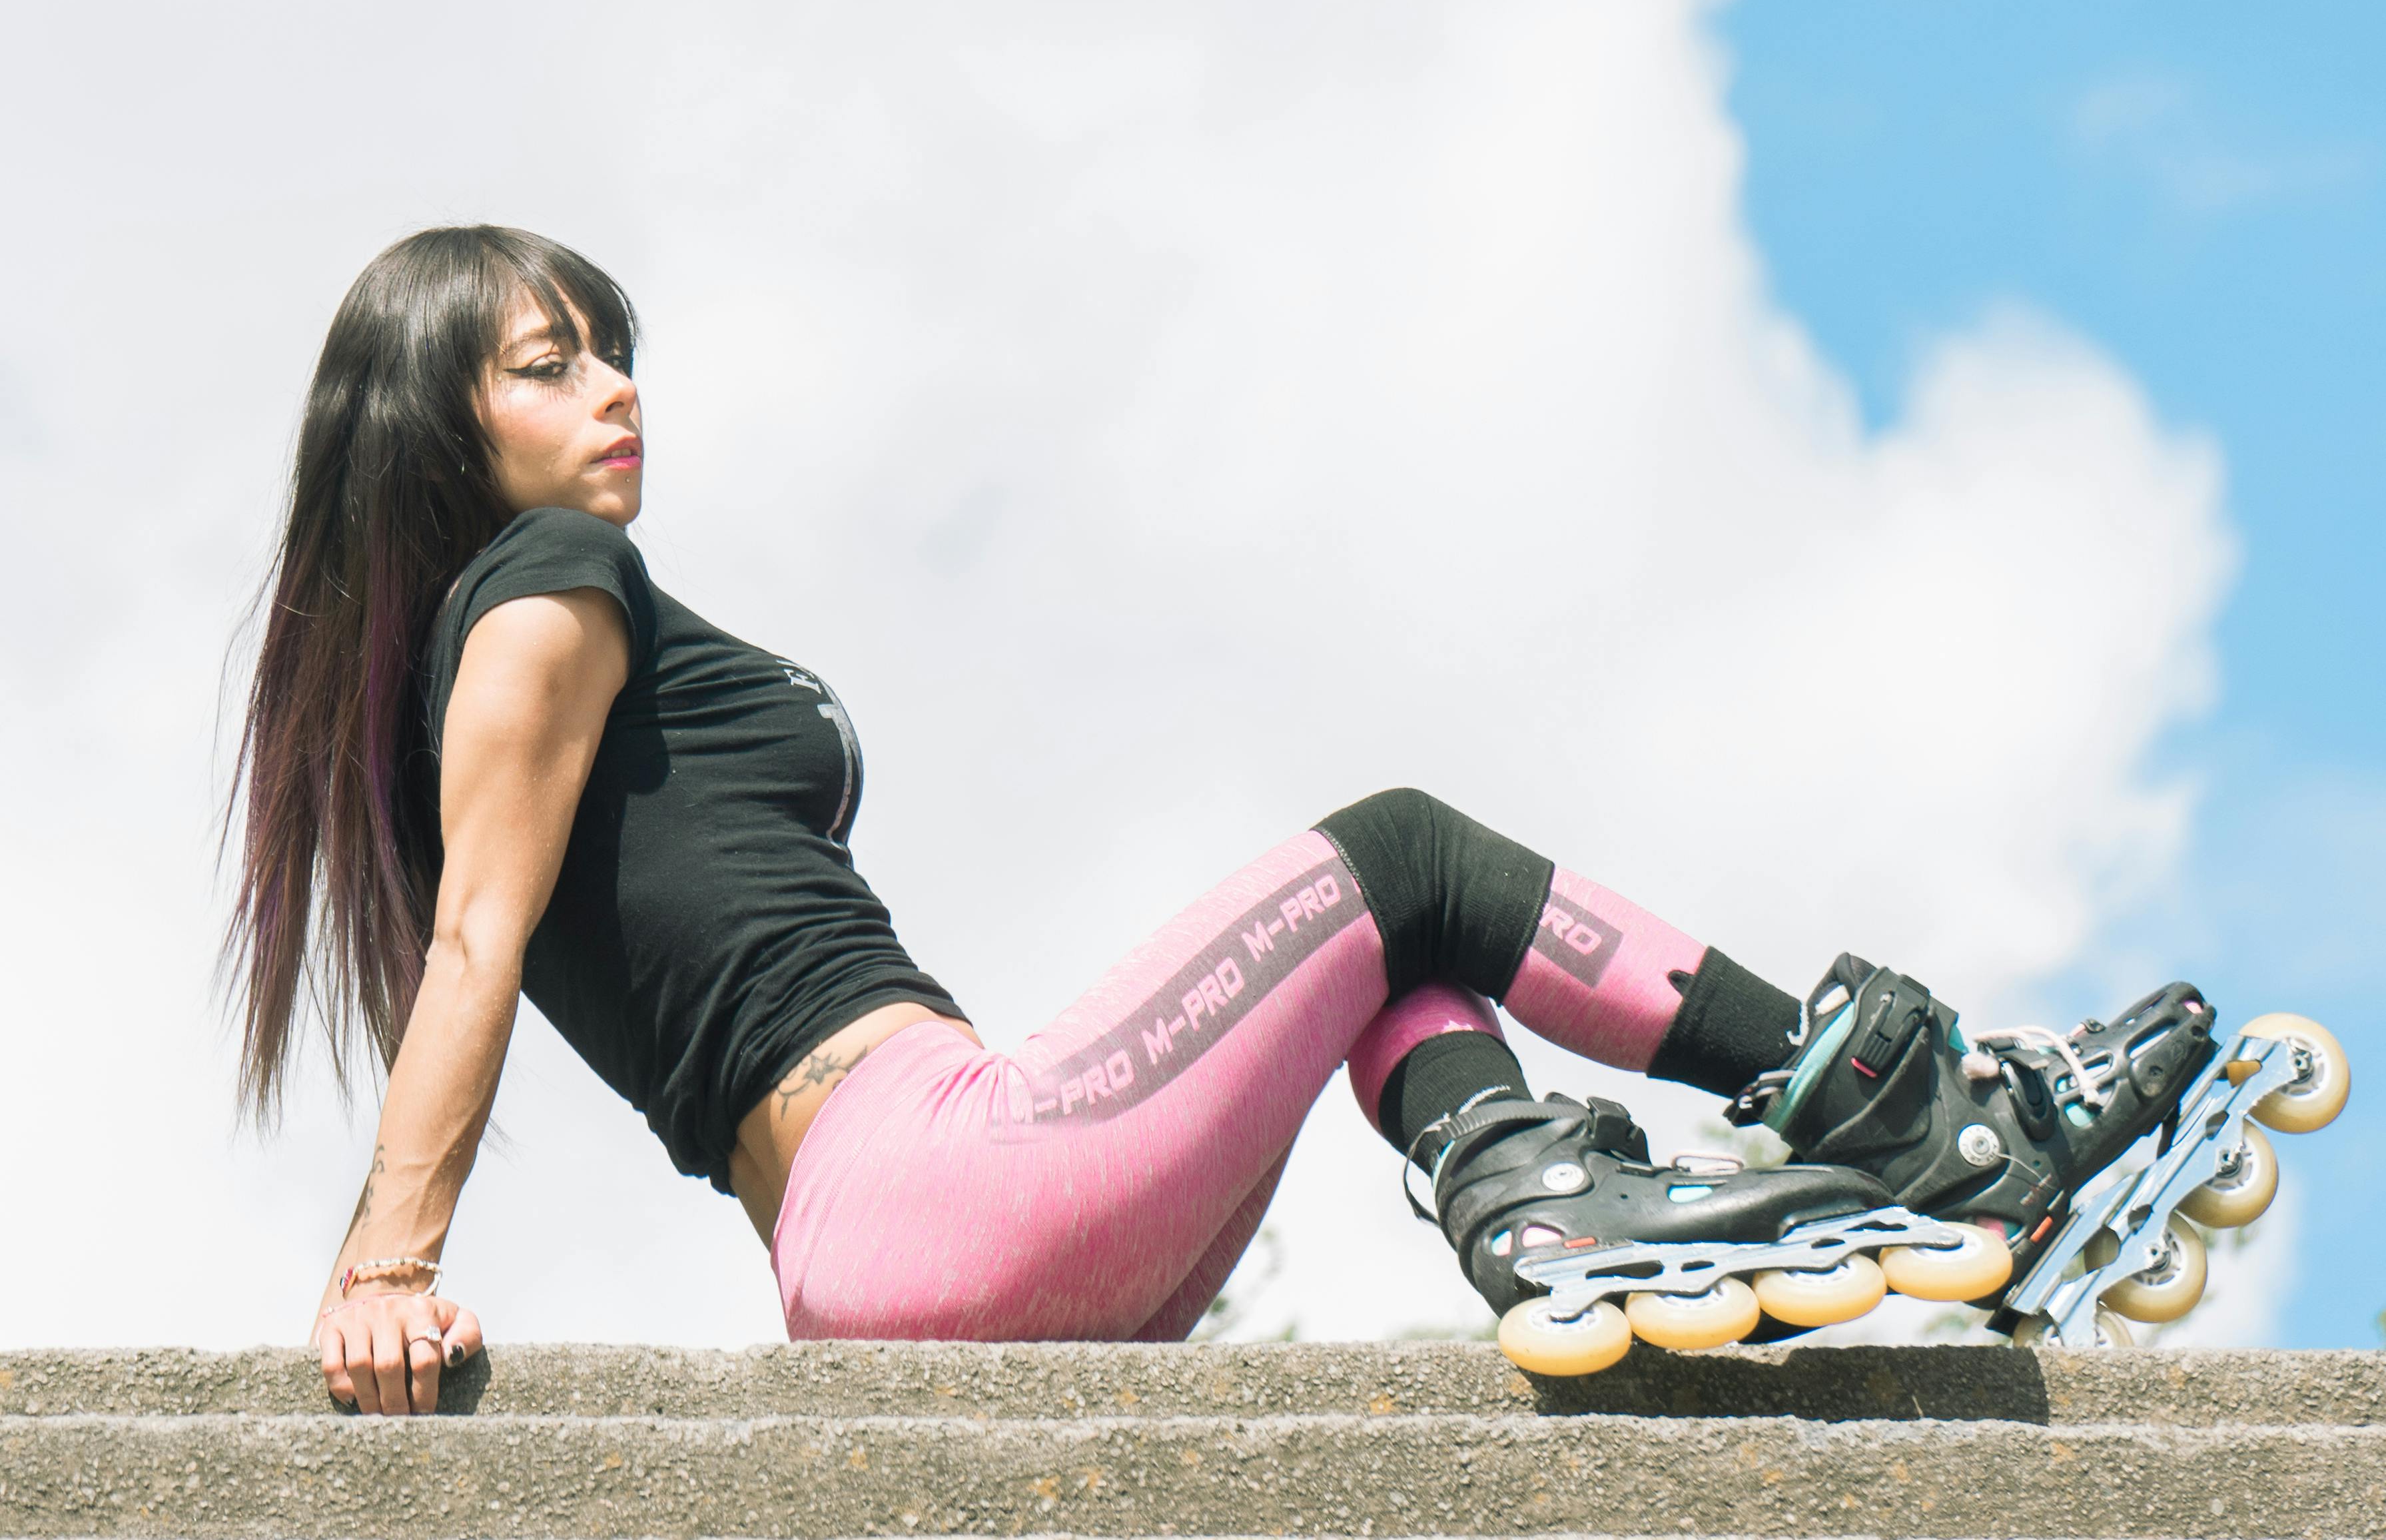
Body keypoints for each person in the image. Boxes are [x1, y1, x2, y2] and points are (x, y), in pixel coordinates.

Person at [226, 226, 2215, 1419]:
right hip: (938, 1177)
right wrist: (387, 1263)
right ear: (437, 425)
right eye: (550, 360)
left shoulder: (499, 648)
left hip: (885, 1251)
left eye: (618, 345)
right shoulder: (547, 590)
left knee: (1398, 958)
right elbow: (476, 939)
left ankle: (1552, 1210)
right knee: (1412, 850)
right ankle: (1914, 1107)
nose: (618, 388)